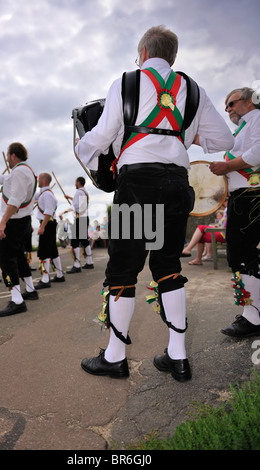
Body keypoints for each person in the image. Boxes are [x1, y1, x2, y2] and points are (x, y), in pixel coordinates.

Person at [75, 25, 234, 381]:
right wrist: (182, 137)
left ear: (143, 52)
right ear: (172, 57)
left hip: (137, 185)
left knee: (123, 270)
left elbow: (101, 136)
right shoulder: (193, 89)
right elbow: (223, 138)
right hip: (177, 184)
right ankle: (177, 358)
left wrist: (82, 150)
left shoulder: (126, 82)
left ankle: (115, 356)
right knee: (167, 267)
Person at [210, 87, 260, 337]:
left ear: (249, 101)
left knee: (242, 255)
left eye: (231, 103)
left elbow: (258, 153)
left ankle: (254, 318)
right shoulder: (243, 128)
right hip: (243, 196)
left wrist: (227, 165)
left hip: (251, 195)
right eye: (226, 106)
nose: (228, 109)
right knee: (245, 254)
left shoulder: (257, 118)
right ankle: (254, 313)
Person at [0, 142, 38, 316]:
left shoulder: (19, 172)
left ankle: (17, 301)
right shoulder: (25, 171)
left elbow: (15, 198)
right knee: (19, 257)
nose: (7, 160)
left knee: (6, 260)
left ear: (13, 156)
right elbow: (5, 179)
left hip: (14, 222)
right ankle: (30, 290)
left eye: (8, 156)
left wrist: (2, 222)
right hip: (23, 221)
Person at [35, 172, 65, 288]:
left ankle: (45, 279)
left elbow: (48, 212)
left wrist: (42, 226)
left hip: (47, 223)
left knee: (44, 251)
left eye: (39, 179)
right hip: (49, 223)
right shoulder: (43, 193)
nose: (38, 180)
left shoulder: (47, 195)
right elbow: (30, 196)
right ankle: (59, 275)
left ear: (44, 180)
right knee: (52, 251)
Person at [63, 177, 93, 273]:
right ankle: (90, 262)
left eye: (75, 182)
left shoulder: (78, 192)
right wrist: (70, 198)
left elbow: (75, 205)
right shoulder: (85, 192)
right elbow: (79, 202)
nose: (75, 184)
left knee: (74, 241)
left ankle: (77, 265)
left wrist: (69, 208)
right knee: (84, 240)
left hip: (79, 218)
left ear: (78, 182)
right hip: (85, 217)